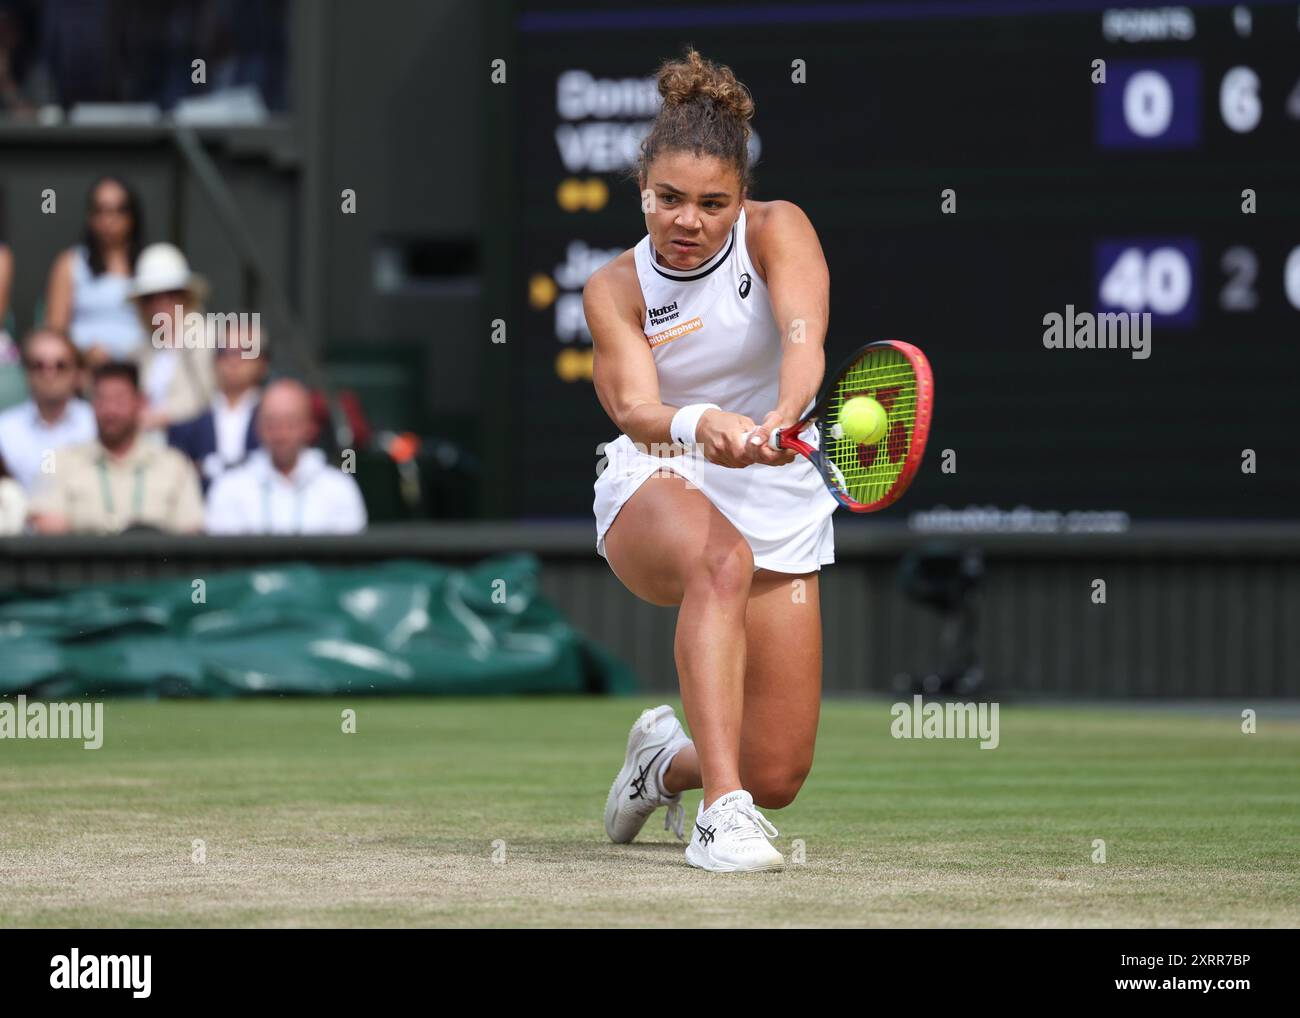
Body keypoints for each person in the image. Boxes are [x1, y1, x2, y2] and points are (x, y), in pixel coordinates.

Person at [586, 50, 838, 872]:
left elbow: (805, 339)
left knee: (778, 770)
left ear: (741, 199)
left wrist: (781, 414)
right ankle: (718, 821)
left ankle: (664, 764)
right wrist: (705, 426)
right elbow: (634, 411)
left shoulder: (780, 230)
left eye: (711, 204)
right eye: (668, 199)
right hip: (654, 478)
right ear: (643, 190)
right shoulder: (613, 288)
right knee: (719, 558)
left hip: (774, 480)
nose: (686, 221)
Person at [27, 361, 204, 535]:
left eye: (120, 399)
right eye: (102, 399)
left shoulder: (176, 464)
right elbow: (45, 524)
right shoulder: (55, 459)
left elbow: (190, 532)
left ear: (139, 402)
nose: (110, 410)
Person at [205, 379, 366, 535]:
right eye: (272, 423)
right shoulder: (229, 486)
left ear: (309, 427)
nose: (281, 434)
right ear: (258, 427)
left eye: (291, 423)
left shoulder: (339, 487)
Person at [44, 176, 146, 364]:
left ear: (132, 217)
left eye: (118, 210)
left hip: (139, 368)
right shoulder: (70, 262)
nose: (108, 220)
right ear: (90, 217)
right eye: (100, 210)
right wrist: (82, 357)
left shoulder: (148, 264)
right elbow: (55, 330)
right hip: (83, 369)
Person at [167, 314, 266, 491]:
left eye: (245, 350)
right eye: (224, 351)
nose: (233, 360)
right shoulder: (189, 426)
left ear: (263, 362)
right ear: (214, 360)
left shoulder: (276, 420)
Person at [128, 242, 217, 432]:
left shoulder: (208, 337)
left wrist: (157, 418)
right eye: (149, 297)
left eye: (170, 294)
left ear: (186, 297)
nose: (159, 303)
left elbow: (204, 399)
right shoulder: (140, 349)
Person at [0, 328, 95, 490]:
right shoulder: (4, 429)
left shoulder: (95, 423)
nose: (49, 374)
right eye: (38, 365)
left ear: (78, 373)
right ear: (26, 373)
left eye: (60, 366)